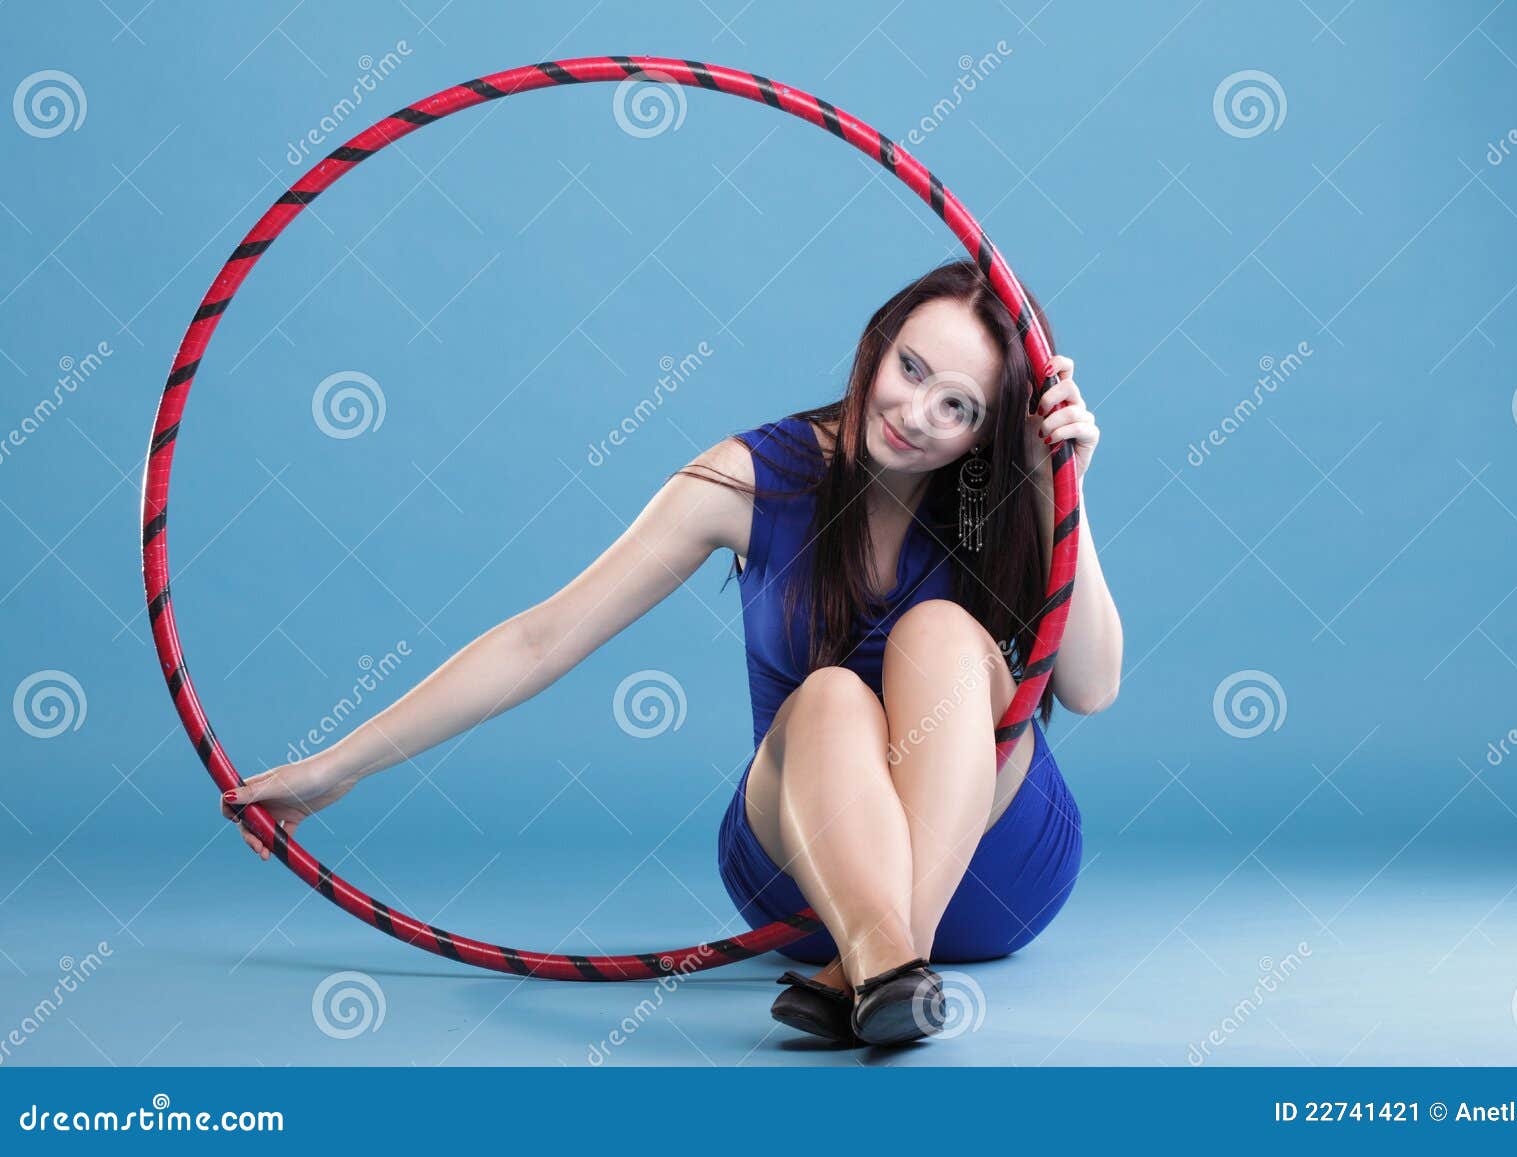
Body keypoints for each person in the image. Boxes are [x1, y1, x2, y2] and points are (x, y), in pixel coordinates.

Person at [220, 259, 1122, 1048]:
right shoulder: (751, 476)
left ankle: (882, 967)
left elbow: (1090, 685)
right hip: (808, 870)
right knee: (830, 699)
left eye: (958, 406)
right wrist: (336, 767)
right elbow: (542, 636)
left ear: (986, 428)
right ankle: (885, 970)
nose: (916, 413)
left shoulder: (997, 492)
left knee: (939, 636)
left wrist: (1051, 477)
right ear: (875, 345)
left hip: (996, 870)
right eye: (909, 367)